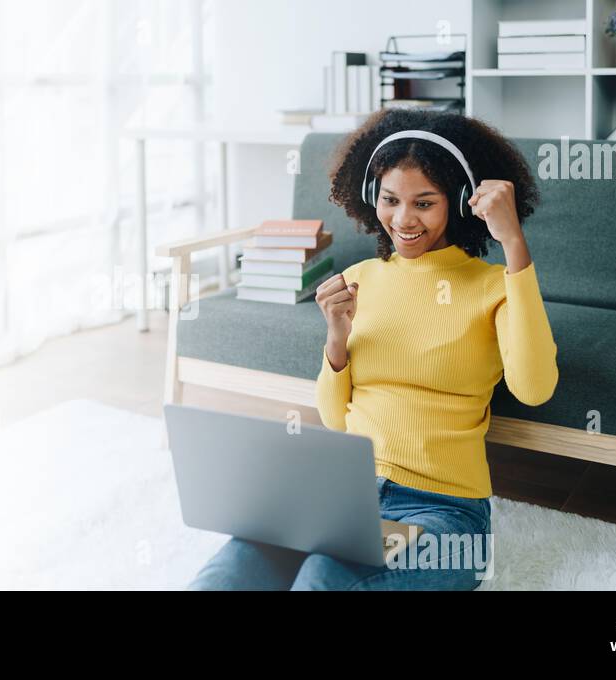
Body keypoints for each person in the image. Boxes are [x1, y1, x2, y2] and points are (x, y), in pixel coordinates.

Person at [188, 109, 559, 591]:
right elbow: (336, 419)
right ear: (372, 198)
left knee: (323, 579)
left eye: (424, 203)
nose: (403, 220)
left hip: (442, 512)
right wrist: (336, 341)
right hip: (343, 495)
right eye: (390, 200)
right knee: (230, 572)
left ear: (463, 202)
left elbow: (534, 388)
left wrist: (513, 243)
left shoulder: (495, 286)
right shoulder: (361, 278)